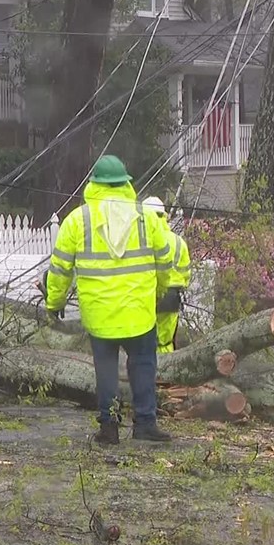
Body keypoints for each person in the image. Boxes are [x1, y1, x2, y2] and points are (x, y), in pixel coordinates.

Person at [45, 155, 174, 444]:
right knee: (143, 365)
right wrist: (164, 290)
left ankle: (109, 427)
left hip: (99, 314)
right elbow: (165, 260)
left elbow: (60, 268)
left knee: (106, 370)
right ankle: (145, 424)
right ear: (126, 183)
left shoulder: (78, 220)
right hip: (139, 312)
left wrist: (54, 304)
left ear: (93, 184)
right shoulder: (146, 218)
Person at [142, 196, 192, 354]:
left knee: (144, 338)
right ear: (164, 216)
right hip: (172, 296)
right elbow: (186, 274)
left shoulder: (142, 239)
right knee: (165, 341)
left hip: (147, 294)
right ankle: (166, 370)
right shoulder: (178, 242)